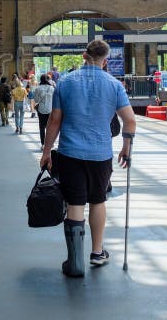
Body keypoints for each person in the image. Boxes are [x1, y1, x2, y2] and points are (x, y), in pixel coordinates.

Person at [40, 40, 136, 278]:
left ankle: (74, 262)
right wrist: (126, 147)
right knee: (97, 200)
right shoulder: (114, 85)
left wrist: (46, 151)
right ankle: (96, 252)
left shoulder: (65, 82)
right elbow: (130, 121)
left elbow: (54, 120)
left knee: (75, 203)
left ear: (84, 56)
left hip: (70, 152)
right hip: (100, 154)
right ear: (105, 61)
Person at [34, 74, 55, 147]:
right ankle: (50, 143)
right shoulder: (52, 88)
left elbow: (36, 100)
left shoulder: (38, 88)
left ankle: (43, 144)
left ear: (41, 80)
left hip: (41, 109)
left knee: (42, 127)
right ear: (47, 79)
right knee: (49, 127)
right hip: (50, 109)